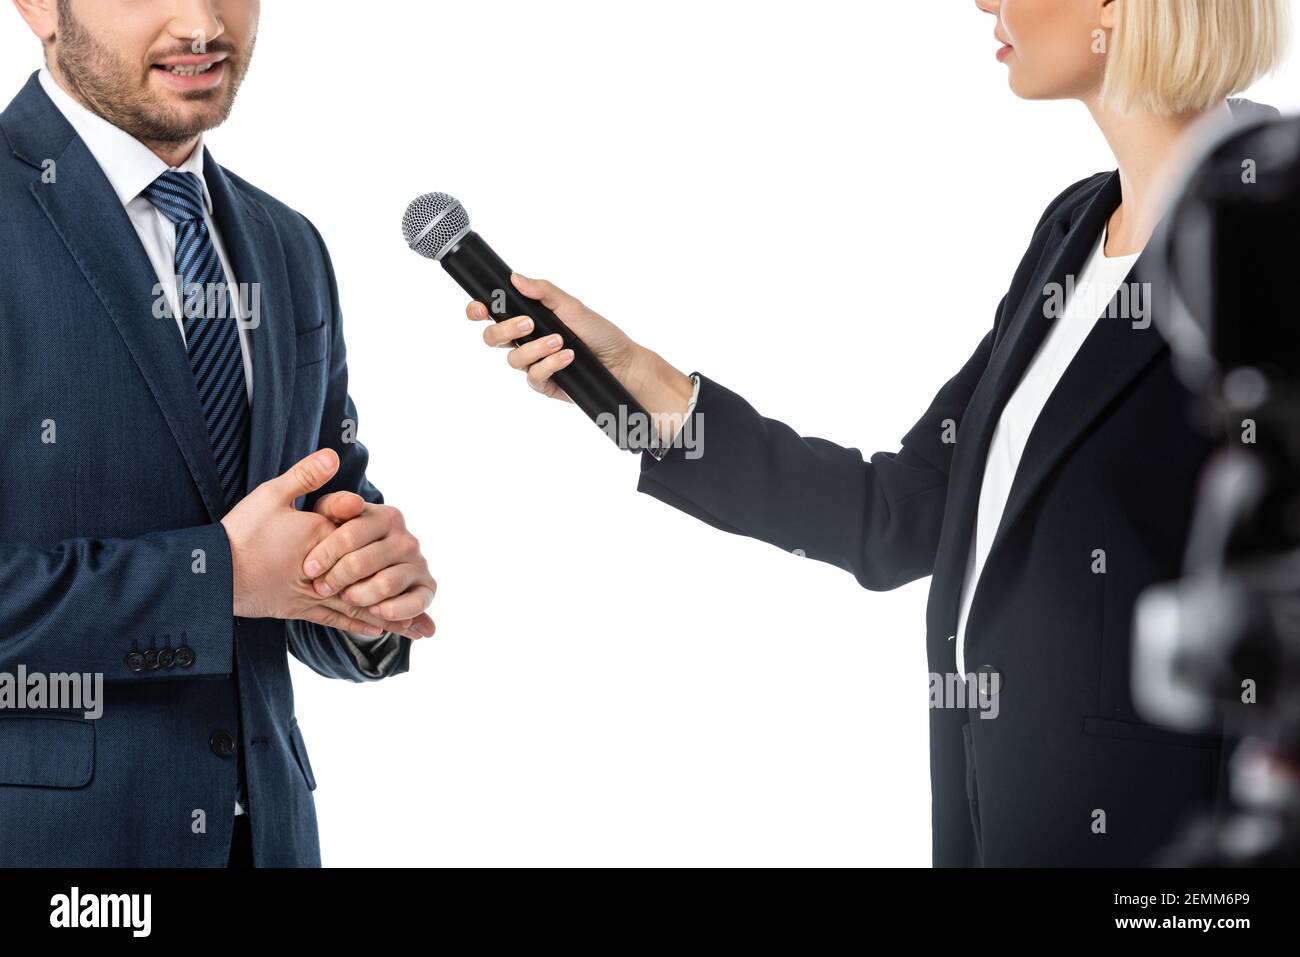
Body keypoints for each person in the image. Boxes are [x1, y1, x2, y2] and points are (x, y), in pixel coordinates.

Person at [466, 0, 1290, 865]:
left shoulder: (1271, 231)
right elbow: (901, 513)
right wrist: (637, 379)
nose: (981, 2)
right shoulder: (1074, 232)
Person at [0, 0, 437, 866]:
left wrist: (360, 593)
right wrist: (217, 575)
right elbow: (237, 572)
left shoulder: (287, 245)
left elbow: (299, 537)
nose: (201, 22)